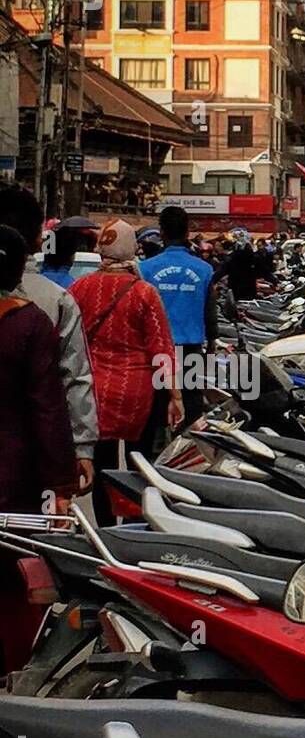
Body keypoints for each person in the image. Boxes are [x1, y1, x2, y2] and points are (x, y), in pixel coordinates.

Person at [0, 225, 78, 673]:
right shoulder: (29, 323)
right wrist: (61, 483)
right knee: (15, 578)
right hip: (15, 480)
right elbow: (49, 408)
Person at [70, 220, 182, 524]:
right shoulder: (144, 293)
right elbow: (161, 349)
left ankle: (106, 529)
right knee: (137, 465)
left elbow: (68, 344)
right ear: (132, 248)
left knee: (103, 466)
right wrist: (174, 395)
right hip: (136, 394)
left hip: (94, 391)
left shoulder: (79, 288)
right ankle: (133, 526)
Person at [0, 186, 98, 496]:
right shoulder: (53, 302)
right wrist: (81, 450)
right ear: (34, 239)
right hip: (26, 463)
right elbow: (71, 380)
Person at [139, 206, 217, 423]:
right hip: (191, 350)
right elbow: (210, 311)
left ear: (162, 233)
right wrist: (212, 344)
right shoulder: (204, 269)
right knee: (191, 409)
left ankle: (153, 455)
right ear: (187, 233)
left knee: (155, 408)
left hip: (155, 352)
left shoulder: (145, 269)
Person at [214, 229, 258, 300]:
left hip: (236, 292)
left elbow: (222, 271)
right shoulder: (253, 255)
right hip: (250, 292)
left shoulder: (234, 257)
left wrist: (211, 281)